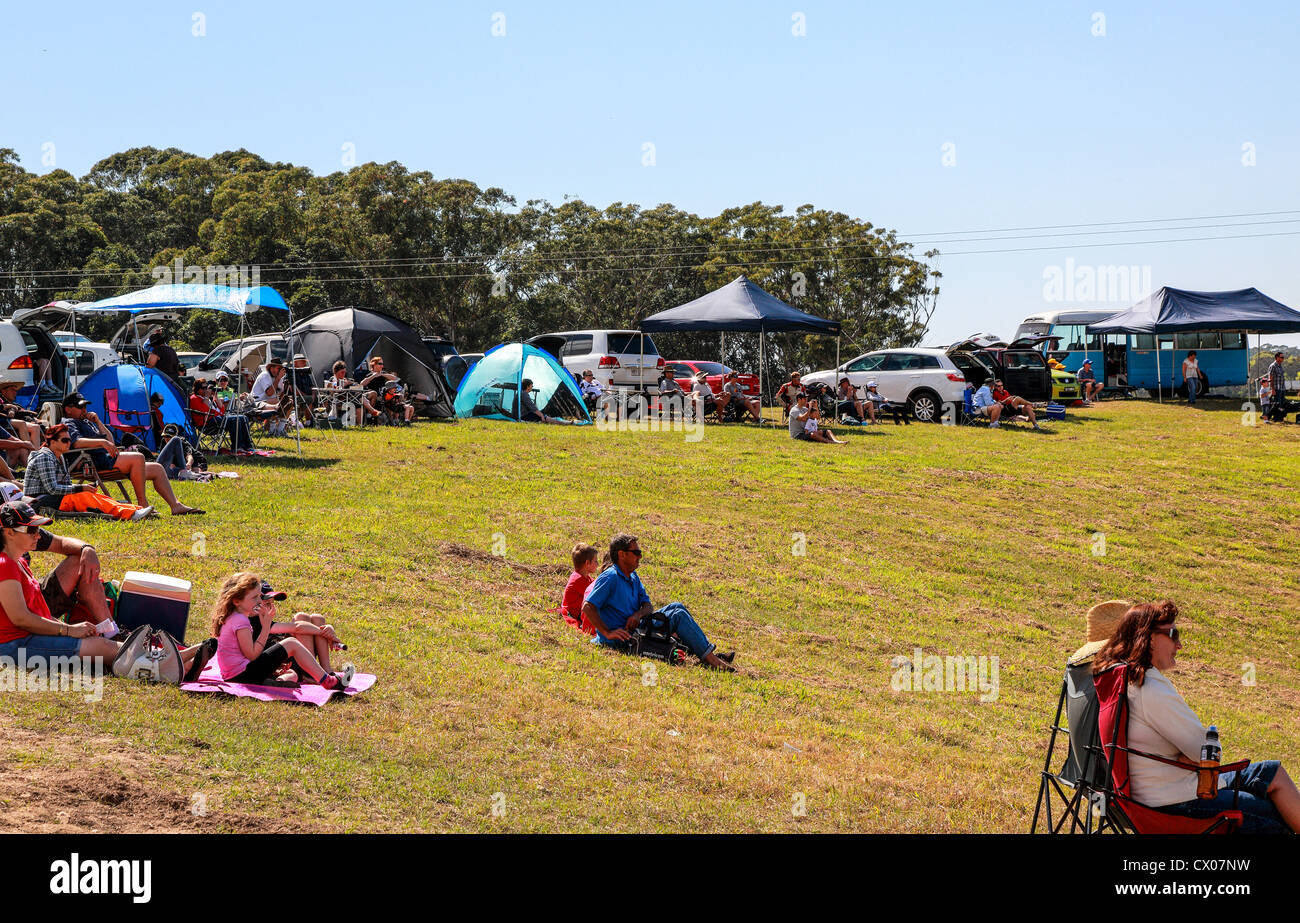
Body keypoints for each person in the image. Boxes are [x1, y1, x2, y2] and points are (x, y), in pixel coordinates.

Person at [1092, 601, 1300, 833]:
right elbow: (1207, 751)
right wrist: (1192, 759)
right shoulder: (1150, 688)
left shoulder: (1124, 680)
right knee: (1277, 815)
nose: (1179, 645)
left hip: (1166, 790)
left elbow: (1198, 755)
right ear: (1150, 638)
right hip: (1179, 801)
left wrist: (1190, 759)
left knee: (1272, 772)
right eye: (1173, 634)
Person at [581, 533, 735, 671]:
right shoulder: (610, 577)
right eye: (636, 553)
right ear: (621, 554)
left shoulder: (633, 577)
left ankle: (706, 652)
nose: (640, 556)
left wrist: (638, 614)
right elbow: (588, 607)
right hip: (622, 639)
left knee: (676, 607)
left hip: (638, 628)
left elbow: (648, 606)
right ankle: (711, 659)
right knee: (678, 615)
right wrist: (608, 633)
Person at [0, 502, 121, 669]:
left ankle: (146, 656)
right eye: (31, 530)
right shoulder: (5, 564)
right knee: (102, 648)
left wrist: (70, 629)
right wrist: (68, 630)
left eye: (37, 529)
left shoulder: (18, 561)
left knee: (99, 645)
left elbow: (34, 612)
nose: (38, 535)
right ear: (9, 532)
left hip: (26, 637)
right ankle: (154, 662)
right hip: (12, 646)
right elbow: (21, 618)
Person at [61, 392, 202, 515]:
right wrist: (101, 443)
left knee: (157, 468)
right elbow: (76, 442)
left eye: (85, 406)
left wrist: (98, 422)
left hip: (106, 458)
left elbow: (110, 440)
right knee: (138, 457)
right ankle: (142, 505)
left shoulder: (87, 421)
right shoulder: (69, 422)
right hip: (91, 461)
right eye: (80, 407)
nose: (84, 409)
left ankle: (175, 506)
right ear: (68, 409)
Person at [211, 572, 354, 690]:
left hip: (238, 674)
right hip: (242, 675)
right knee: (291, 643)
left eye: (260, 597)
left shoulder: (234, 617)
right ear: (236, 601)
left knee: (291, 646)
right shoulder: (241, 621)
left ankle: (318, 677)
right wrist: (266, 626)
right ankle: (328, 681)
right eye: (255, 597)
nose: (259, 602)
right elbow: (252, 655)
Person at [24, 424, 154, 521]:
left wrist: (81, 489)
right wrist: (80, 488)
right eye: (64, 440)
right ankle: (129, 514)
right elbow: (51, 489)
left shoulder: (60, 456)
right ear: (52, 442)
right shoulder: (44, 457)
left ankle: (135, 510)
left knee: (93, 495)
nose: (69, 443)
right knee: (83, 496)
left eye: (69, 440)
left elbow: (66, 485)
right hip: (39, 502)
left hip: (55, 498)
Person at [243, 580, 348, 683]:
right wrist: (326, 634)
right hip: (287, 660)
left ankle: (327, 670)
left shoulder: (264, 621)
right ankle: (310, 674)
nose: (271, 607)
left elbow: (291, 631)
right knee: (300, 618)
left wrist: (328, 628)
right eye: (267, 603)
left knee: (317, 618)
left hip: (291, 655)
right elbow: (297, 628)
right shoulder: (257, 622)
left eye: (272, 603)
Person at [190, 378, 255, 451]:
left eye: (207, 387)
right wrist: (207, 397)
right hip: (207, 424)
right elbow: (207, 411)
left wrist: (215, 396)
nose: (206, 390)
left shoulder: (208, 398)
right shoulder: (194, 398)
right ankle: (238, 447)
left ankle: (248, 445)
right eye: (204, 388)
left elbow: (222, 409)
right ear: (198, 389)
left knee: (243, 417)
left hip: (217, 419)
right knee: (235, 419)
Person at [560, 543, 598, 635]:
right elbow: (596, 592)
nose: (598, 564)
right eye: (595, 561)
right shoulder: (578, 579)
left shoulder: (586, 577)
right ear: (587, 563)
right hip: (573, 614)